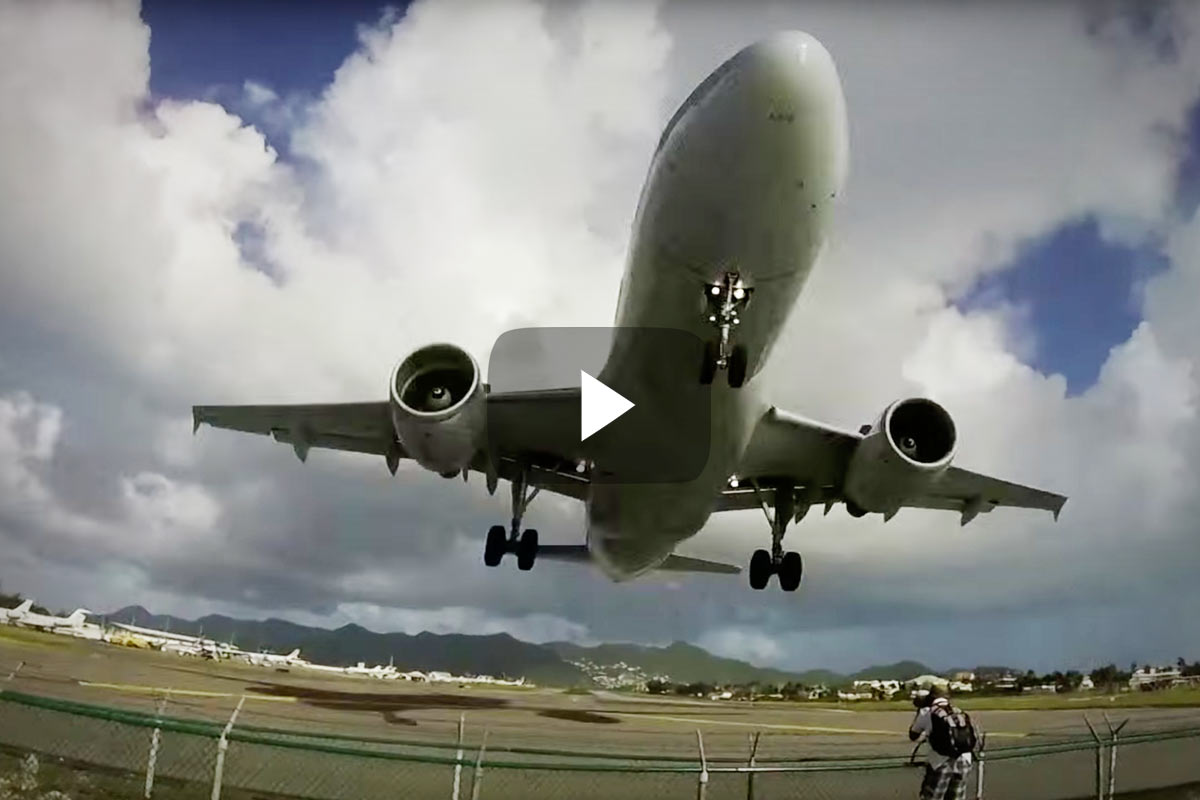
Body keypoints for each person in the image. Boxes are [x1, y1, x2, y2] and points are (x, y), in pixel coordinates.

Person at [908, 684, 976, 800]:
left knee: (933, 795)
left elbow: (913, 735)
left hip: (940, 760)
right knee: (957, 796)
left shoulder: (927, 712)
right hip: (964, 759)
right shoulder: (958, 711)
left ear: (932, 696)